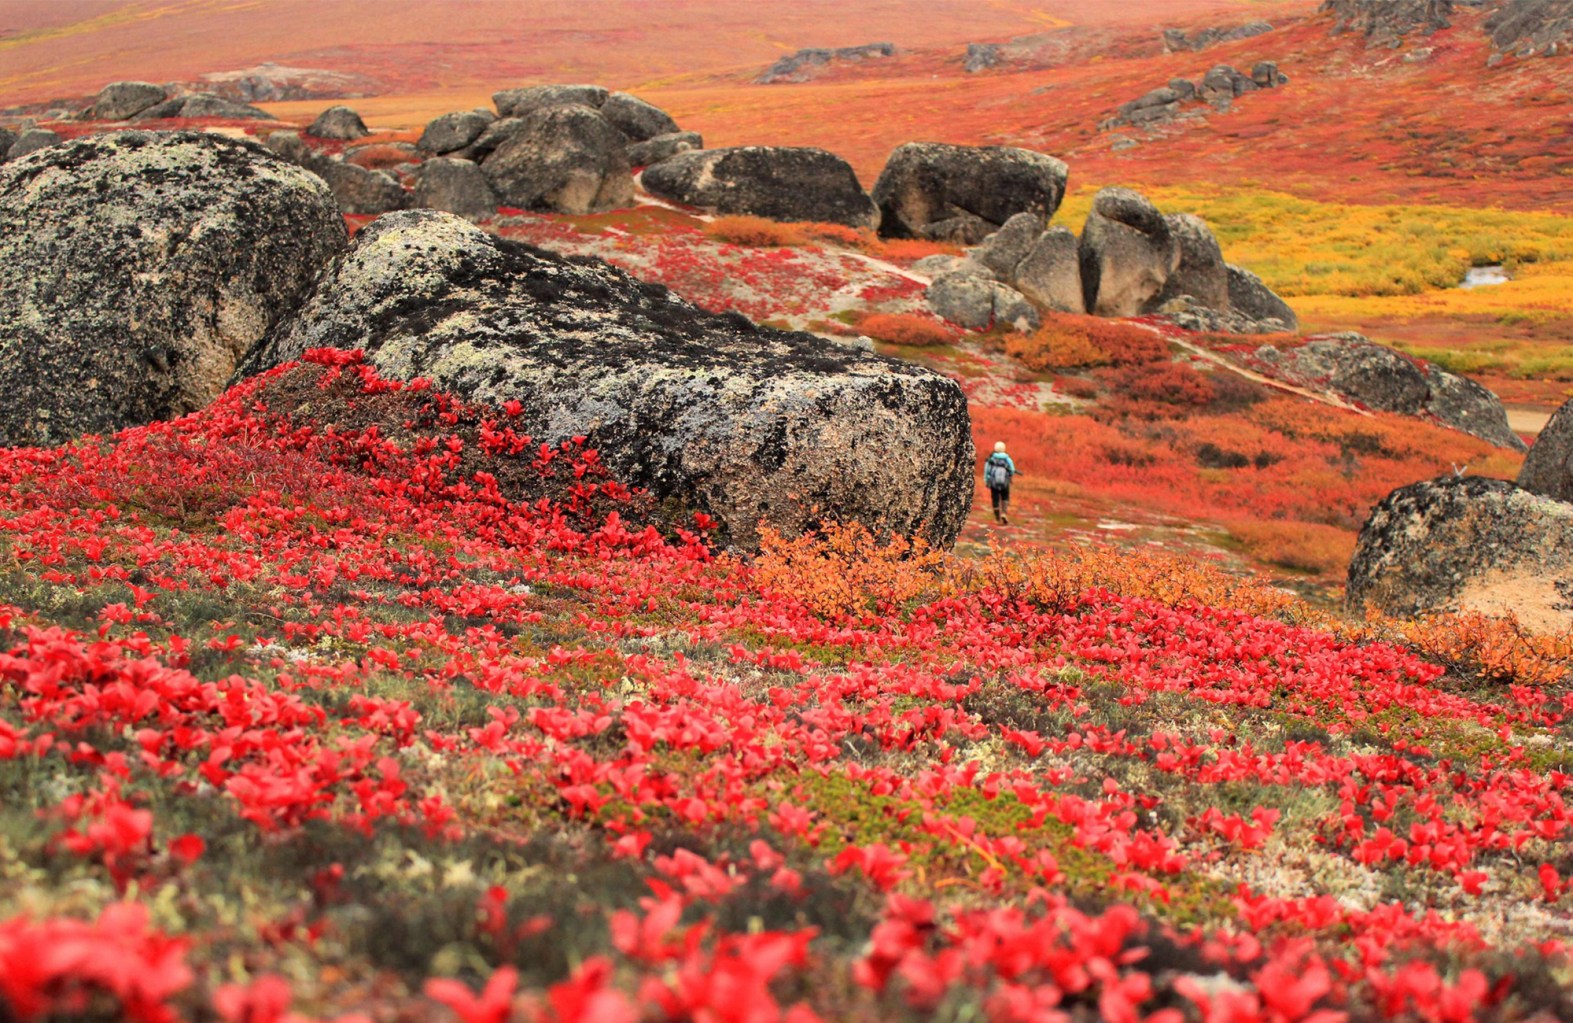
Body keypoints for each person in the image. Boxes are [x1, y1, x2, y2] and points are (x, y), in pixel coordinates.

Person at [984, 441, 1017, 524]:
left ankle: (997, 518)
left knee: (995, 499)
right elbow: (1012, 470)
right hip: (1005, 482)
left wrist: (987, 480)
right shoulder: (1007, 459)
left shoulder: (991, 458)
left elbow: (987, 471)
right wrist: (1009, 476)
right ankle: (1004, 513)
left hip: (993, 482)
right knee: (1005, 497)